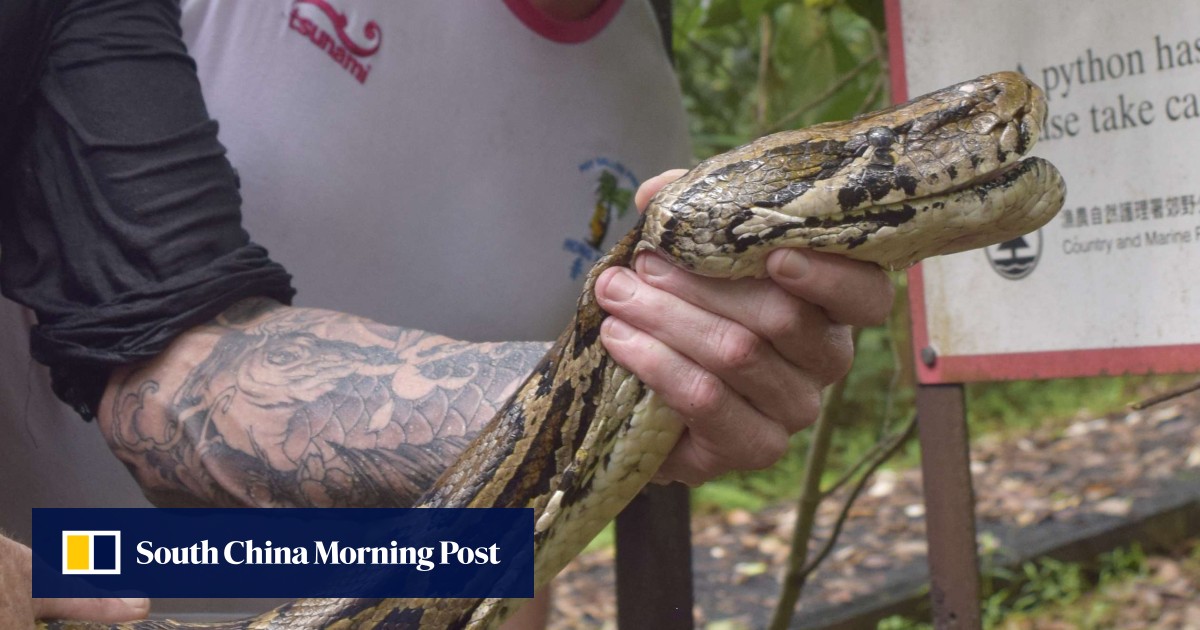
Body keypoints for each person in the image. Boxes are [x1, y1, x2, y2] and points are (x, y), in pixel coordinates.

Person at [0, 0, 893, 627]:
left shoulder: (644, 91)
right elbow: (169, 369)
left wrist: (677, 381)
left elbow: (501, 531)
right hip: (88, 575)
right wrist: (617, 381)